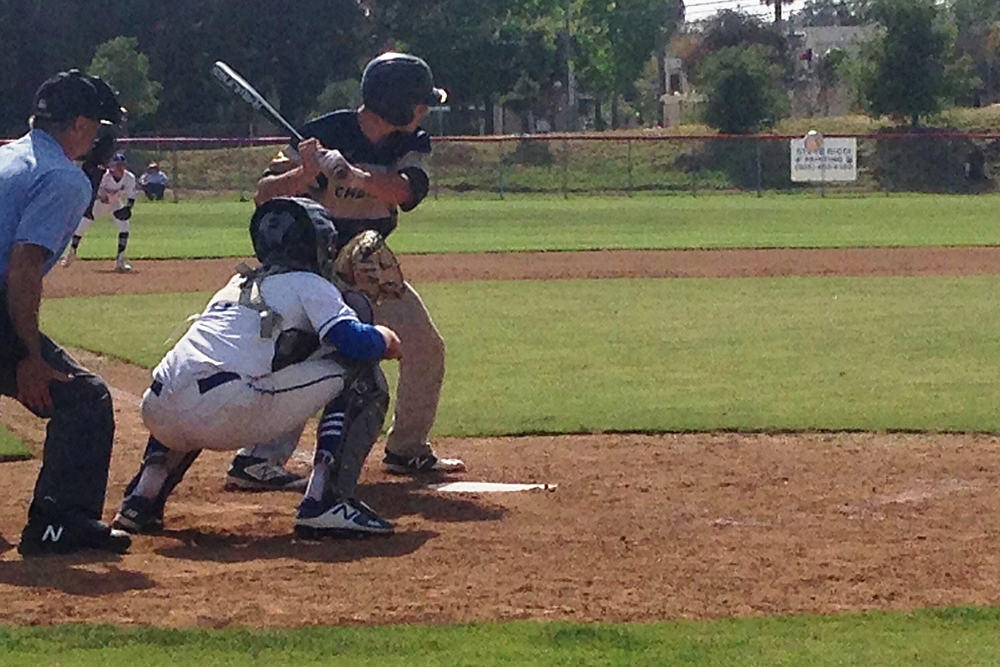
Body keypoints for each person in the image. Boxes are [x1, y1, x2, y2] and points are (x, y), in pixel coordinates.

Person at [234, 52, 463, 490]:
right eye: (419, 103)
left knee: (424, 346)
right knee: (306, 356)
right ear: (396, 104)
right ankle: (259, 460)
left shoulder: (412, 142)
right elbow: (265, 195)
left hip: (367, 261)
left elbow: (403, 191)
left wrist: (354, 175)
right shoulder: (322, 133)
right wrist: (304, 173)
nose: (425, 111)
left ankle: (407, 449)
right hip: (309, 266)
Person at [112, 197, 403, 538]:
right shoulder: (309, 283)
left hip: (158, 410)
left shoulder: (235, 284)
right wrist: (383, 337)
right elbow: (354, 343)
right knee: (359, 371)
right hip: (228, 410)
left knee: (191, 379)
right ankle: (325, 501)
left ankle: (142, 498)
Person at [0, 69, 131, 556]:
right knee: (84, 400)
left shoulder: (7, 155)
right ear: (77, 124)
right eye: (97, 126)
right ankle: (59, 522)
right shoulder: (62, 178)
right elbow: (24, 266)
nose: (100, 137)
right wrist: (28, 355)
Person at [60, 151, 137, 272]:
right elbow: (92, 191)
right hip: (99, 203)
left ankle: (120, 260)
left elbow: (131, 196)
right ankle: (71, 252)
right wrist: (101, 198)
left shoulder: (129, 178)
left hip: (115, 204)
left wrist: (128, 207)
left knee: (124, 227)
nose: (120, 168)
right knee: (82, 226)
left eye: (122, 165)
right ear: (111, 166)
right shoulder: (103, 176)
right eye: (117, 165)